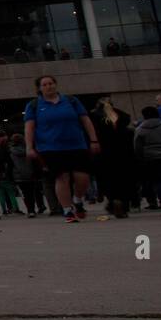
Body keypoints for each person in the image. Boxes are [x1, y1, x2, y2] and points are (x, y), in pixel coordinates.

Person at [23, 74, 99, 223]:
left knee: (82, 177)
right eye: (44, 85)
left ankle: (77, 200)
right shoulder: (34, 105)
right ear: (39, 88)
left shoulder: (71, 101)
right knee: (61, 177)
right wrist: (29, 147)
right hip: (50, 147)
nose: (48, 86)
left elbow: (85, 120)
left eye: (50, 83)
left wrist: (93, 140)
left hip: (76, 144)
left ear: (56, 85)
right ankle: (67, 210)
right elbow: (29, 127)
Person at [91, 98, 136, 217]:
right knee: (124, 179)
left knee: (107, 179)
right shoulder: (122, 117)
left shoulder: (94, 118)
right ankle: (123, 204)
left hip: (104, 153)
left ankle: (112, 200)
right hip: (123, 152)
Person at [7, 132, 43, 215]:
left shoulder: (11, 152)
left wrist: (10, 176)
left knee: (24, 194)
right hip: (30, 174)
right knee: (31, 193)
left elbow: (10, 165)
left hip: (18, 175)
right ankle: (32, 209)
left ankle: (30, 210)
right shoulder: (29, 150)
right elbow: (35, 162)